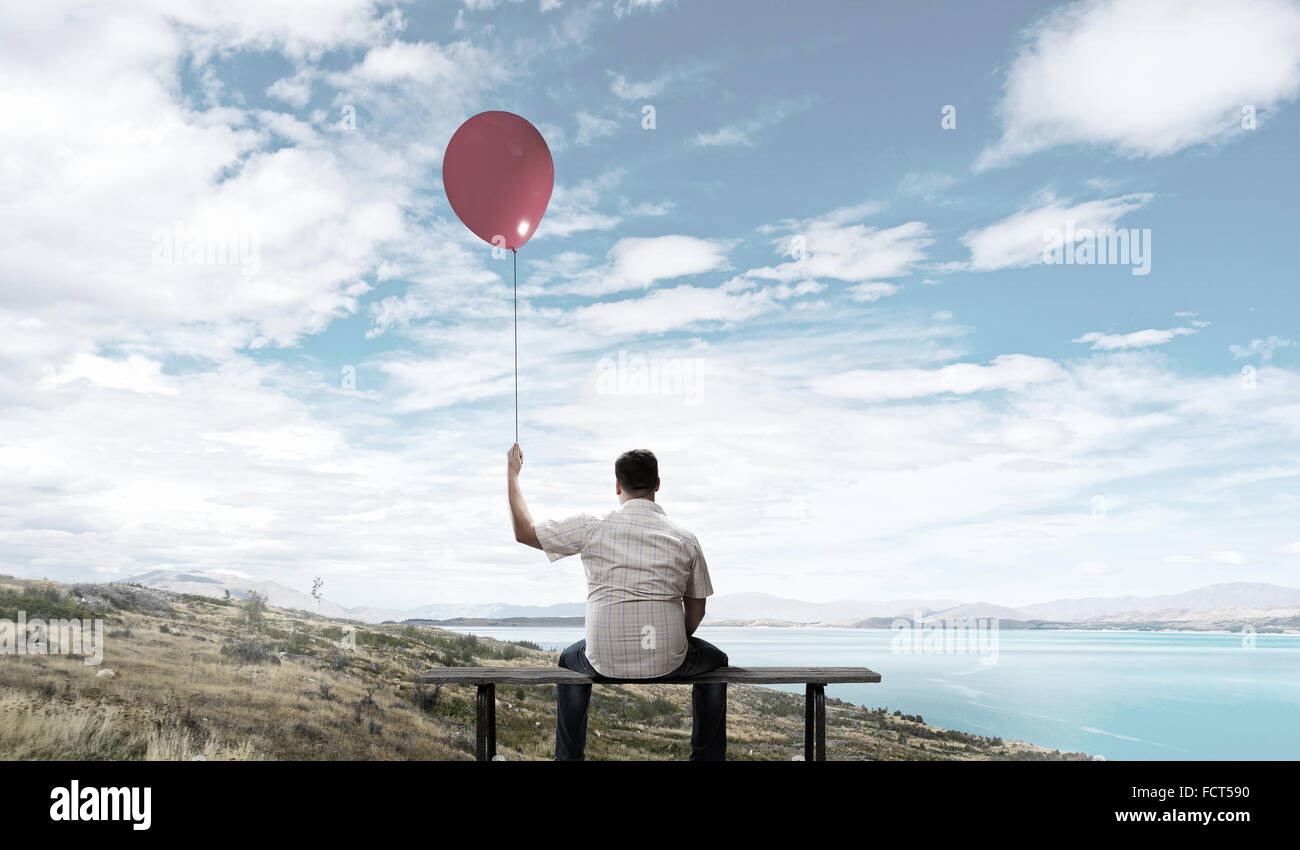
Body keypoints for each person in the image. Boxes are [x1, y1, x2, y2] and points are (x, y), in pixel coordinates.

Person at [506, 443, 728, 760]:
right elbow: (696, 610)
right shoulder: (684, 537)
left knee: (569, 660)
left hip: (601, 658)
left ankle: (569, 758)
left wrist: (513, 474)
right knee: (716, 661)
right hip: (668, 658)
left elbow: (523, 532)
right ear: (657, 485)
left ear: (617, 485)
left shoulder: (591, 526)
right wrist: (668, 642)